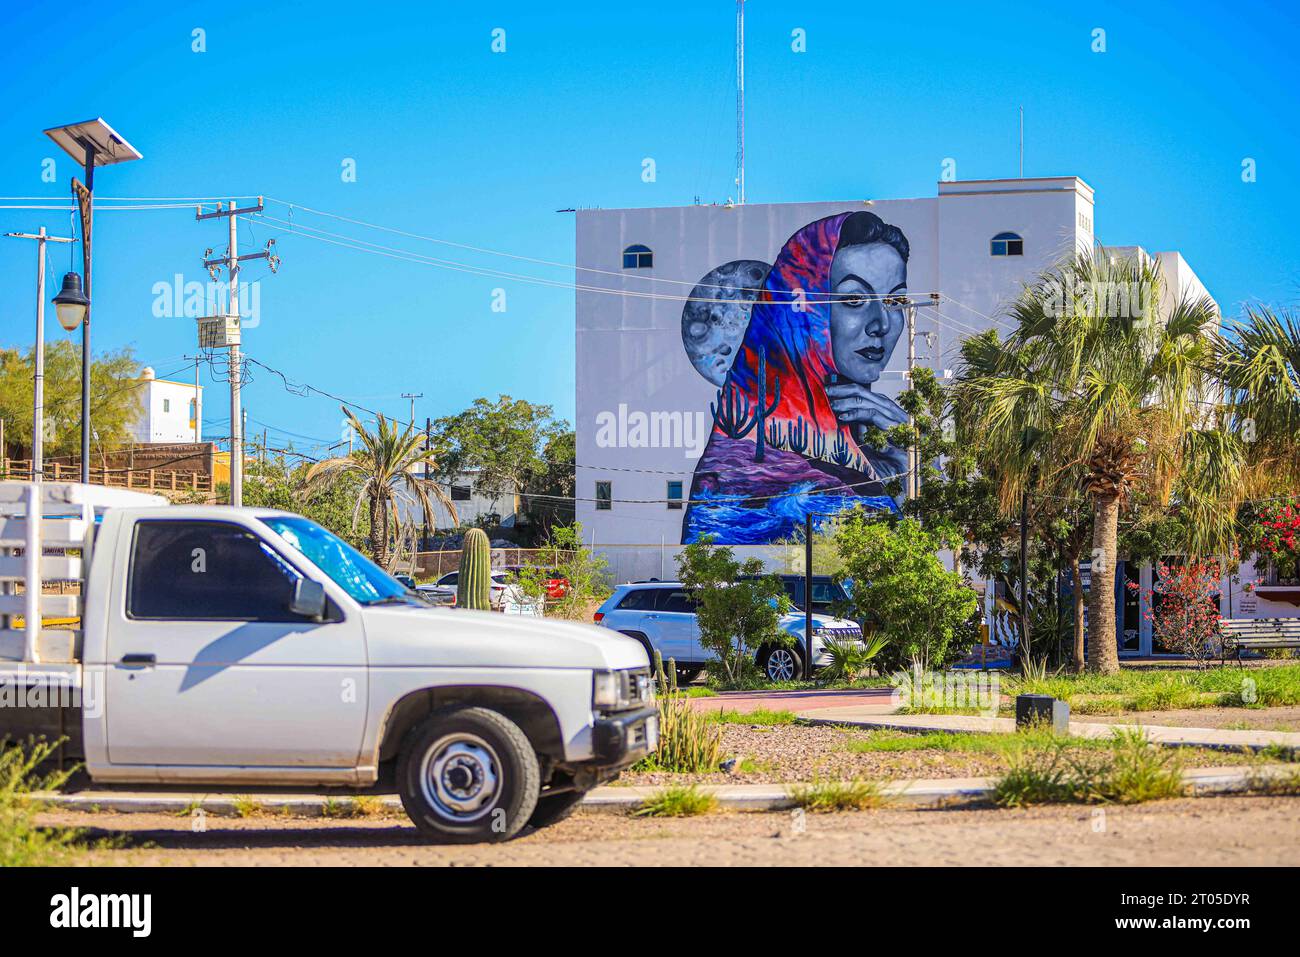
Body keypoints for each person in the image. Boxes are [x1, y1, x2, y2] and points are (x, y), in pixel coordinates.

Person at [682, 211, 909, 545]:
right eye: (853, 299)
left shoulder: (872, 444)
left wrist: (907, 466)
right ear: (805, 313)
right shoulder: (739, 467)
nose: (882, 324)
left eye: (895, 300)